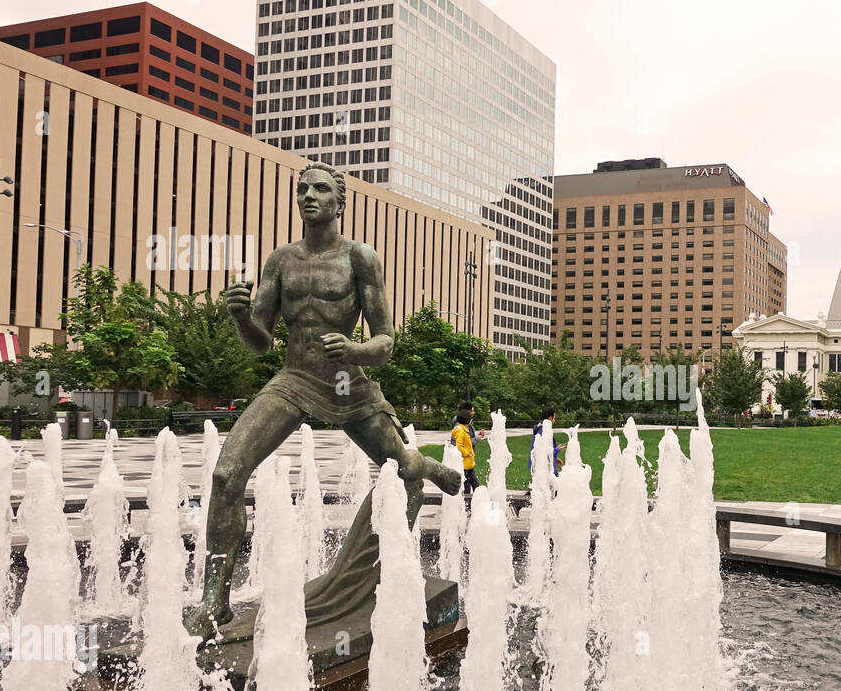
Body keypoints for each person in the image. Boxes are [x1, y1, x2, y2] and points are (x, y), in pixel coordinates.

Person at [184, 162, 460, 640]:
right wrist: (239, 319)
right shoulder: (281, 261)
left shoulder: (360, 258)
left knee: (401, 469)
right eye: (301, 189)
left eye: (320, 189)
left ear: (339, 201)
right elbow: (260, 343)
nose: (308, 195)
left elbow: (387, 342)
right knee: (227, 473)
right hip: (295, 378)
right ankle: (215, 602)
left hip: (349, 382)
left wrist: (355, 351)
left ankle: (426, 465)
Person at [450, 404, 480, 494]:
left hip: (468, 464)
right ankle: (468, 505)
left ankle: (469, 505)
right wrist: (467, 453)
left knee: (473, 486)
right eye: (471, 417)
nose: (472, 419)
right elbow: (459, 445)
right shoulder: (461, 430)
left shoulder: (464, 429)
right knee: (471, 486)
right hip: (465, 464)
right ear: (467, 420)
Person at [528, 406, 563, 478]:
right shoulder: (543, 432)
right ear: (550, 418)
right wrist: (557, 450)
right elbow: (543, 452)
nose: (554, 421)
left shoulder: (540, 429)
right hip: (545, 471)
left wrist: (555, 458)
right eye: (554, 418)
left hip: (540, 469)